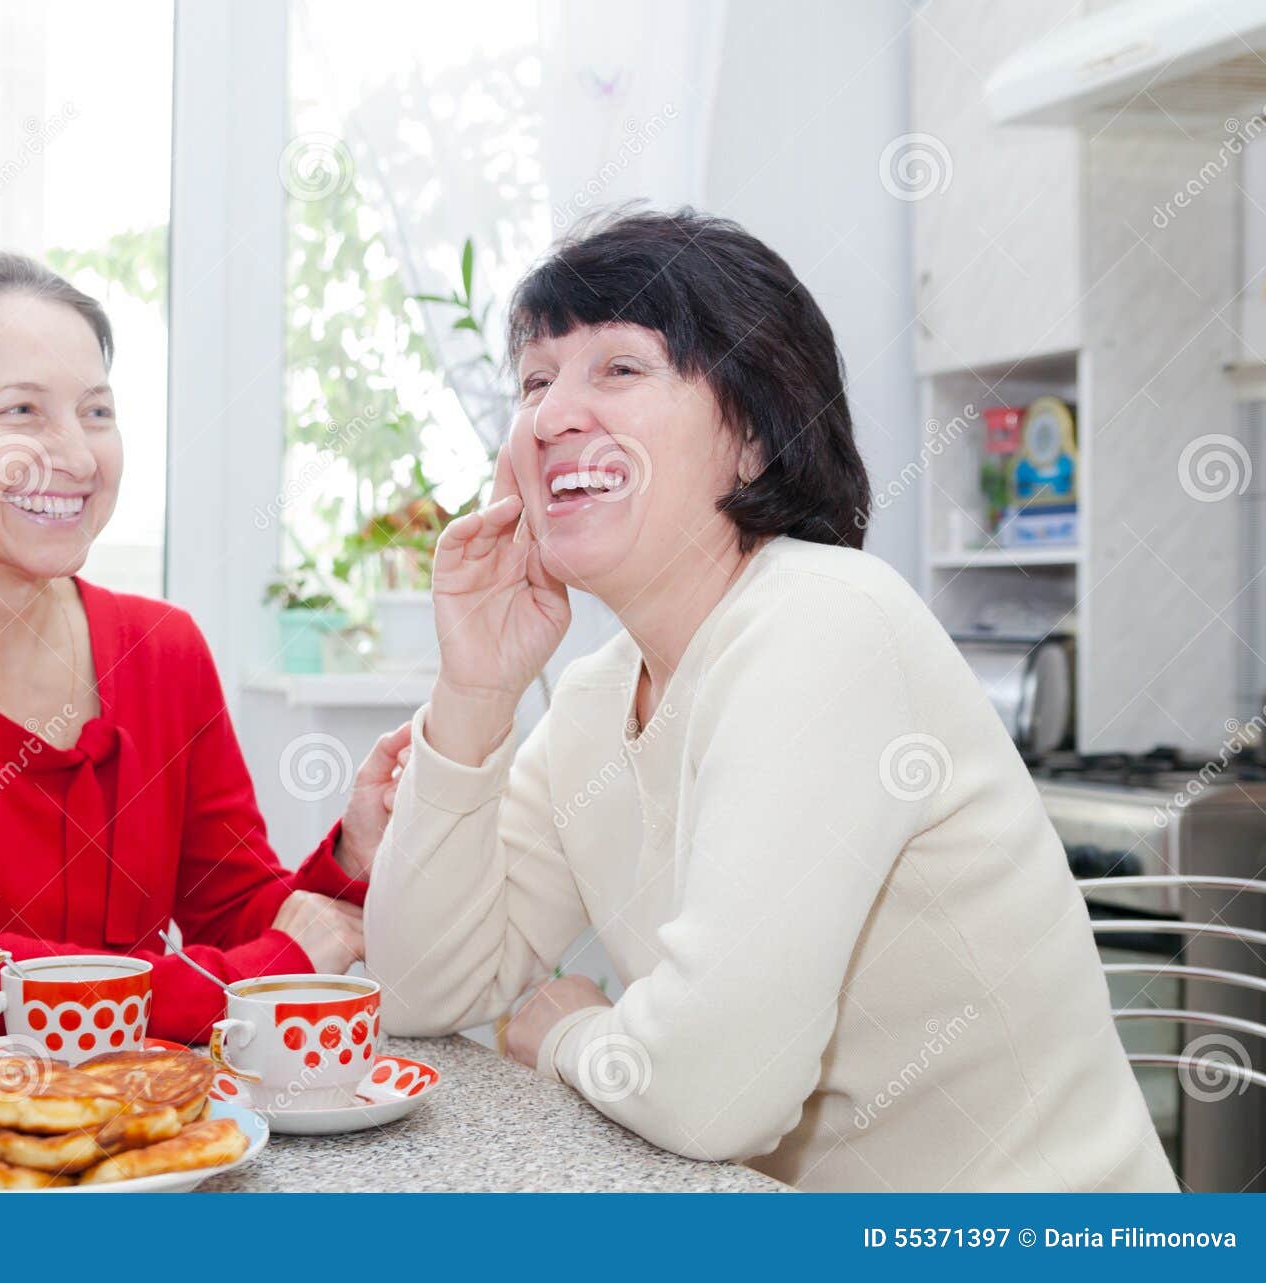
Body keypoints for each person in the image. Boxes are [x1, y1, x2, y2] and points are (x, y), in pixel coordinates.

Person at [365, 210, 1176, 1192]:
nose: (549, 415)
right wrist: (474, 690)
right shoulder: (594, 699)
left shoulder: (824, 620)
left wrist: (562, 1029)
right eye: (536, 380)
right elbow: (416, 989)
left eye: (619, 368)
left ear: (752, 433)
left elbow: (718, 1091)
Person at [0, 252, 408, 1043]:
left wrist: (353, 859)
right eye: (21, 410)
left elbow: (233, 911)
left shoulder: (162, 650)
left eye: (95, 412)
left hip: (148, 1140)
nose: (80, 457)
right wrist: (263, 973)